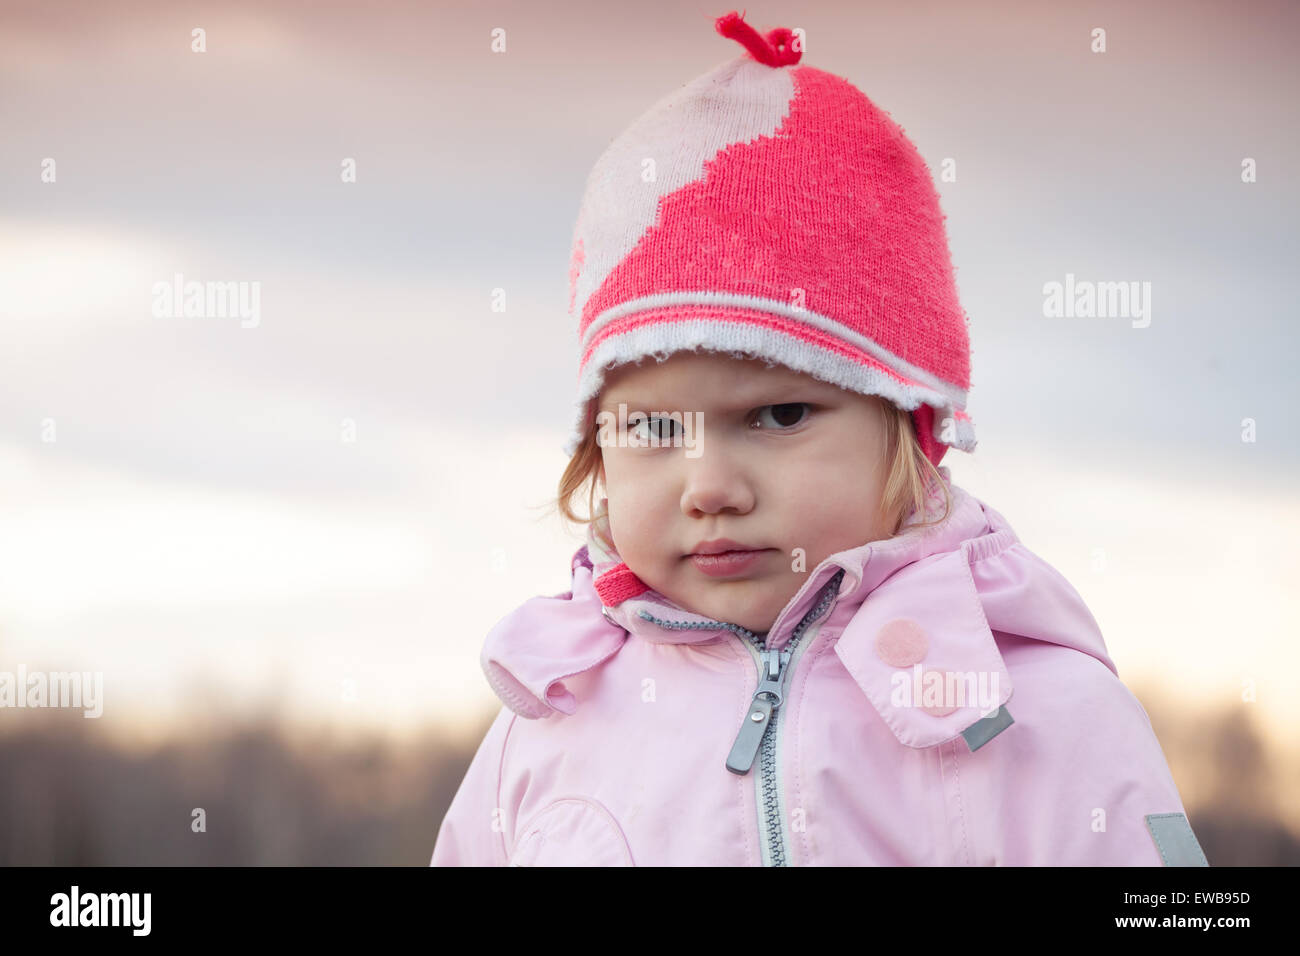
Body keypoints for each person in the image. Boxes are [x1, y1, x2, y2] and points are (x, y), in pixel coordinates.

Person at [429, 10, 1207, 866]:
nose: (710, 485)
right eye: (653, 427)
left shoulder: (1036, 713)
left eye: (779, 415)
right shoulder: (551, 716)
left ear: (909, 426)